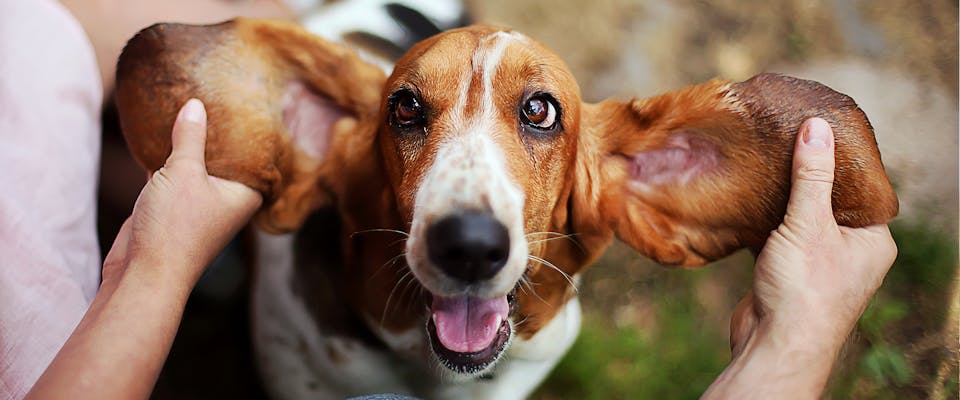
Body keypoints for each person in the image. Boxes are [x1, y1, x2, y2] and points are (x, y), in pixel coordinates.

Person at [1, 1, 896, 398]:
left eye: (538, 115)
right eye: (410, 115)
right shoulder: (333, 148)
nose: (469, 228)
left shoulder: (603, 189)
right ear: (342, 138)